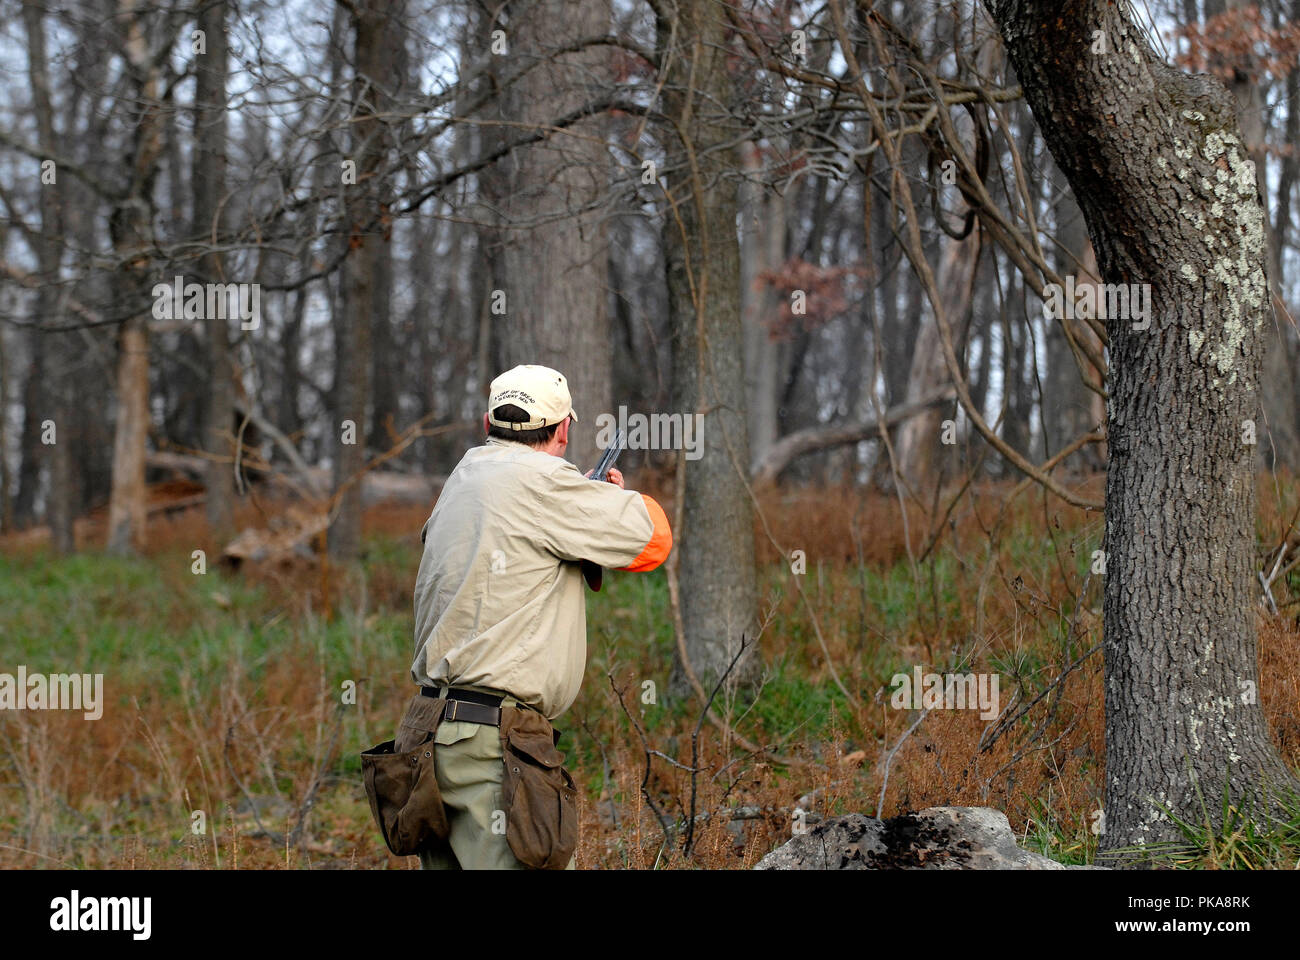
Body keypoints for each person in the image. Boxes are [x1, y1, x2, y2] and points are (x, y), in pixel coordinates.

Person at [396, 363, 672, 869]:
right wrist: (608, 499)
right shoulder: (548, 484)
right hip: (490, 745)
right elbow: (652, 543)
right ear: (564, 428)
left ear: (488, 422)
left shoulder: (463, 477)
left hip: (426, 733)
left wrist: (580, 512)